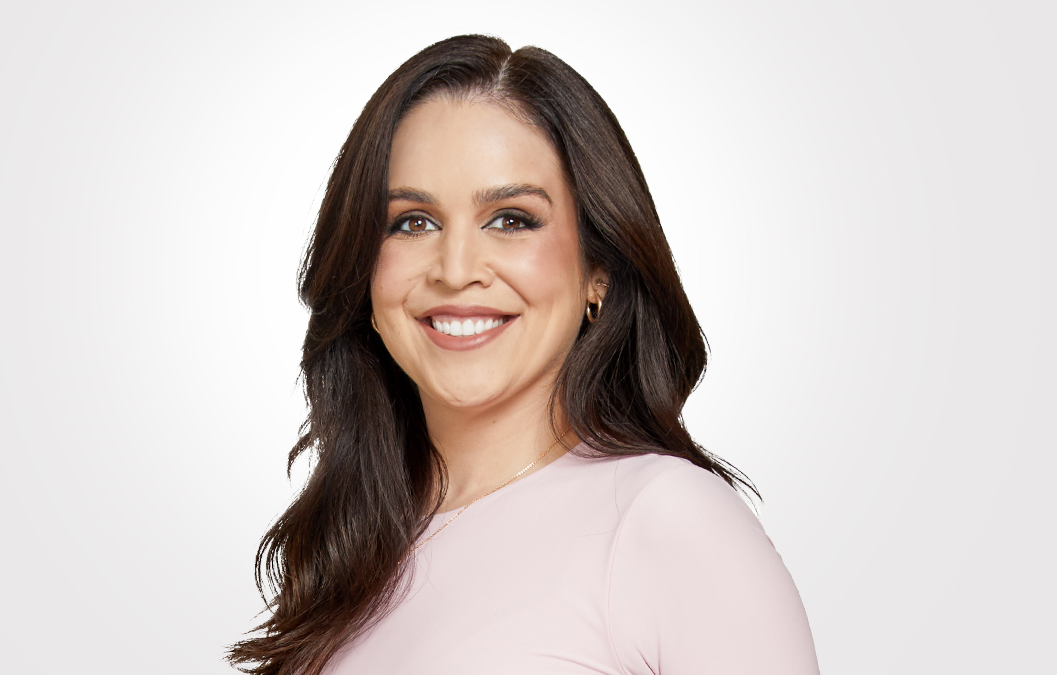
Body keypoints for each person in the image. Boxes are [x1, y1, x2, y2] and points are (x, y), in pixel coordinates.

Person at [230, 35, 819, 675]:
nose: (456, 269)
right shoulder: (349, 552)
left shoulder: (667, 521)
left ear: (598, 270)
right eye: (413, 222)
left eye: (511, 219)